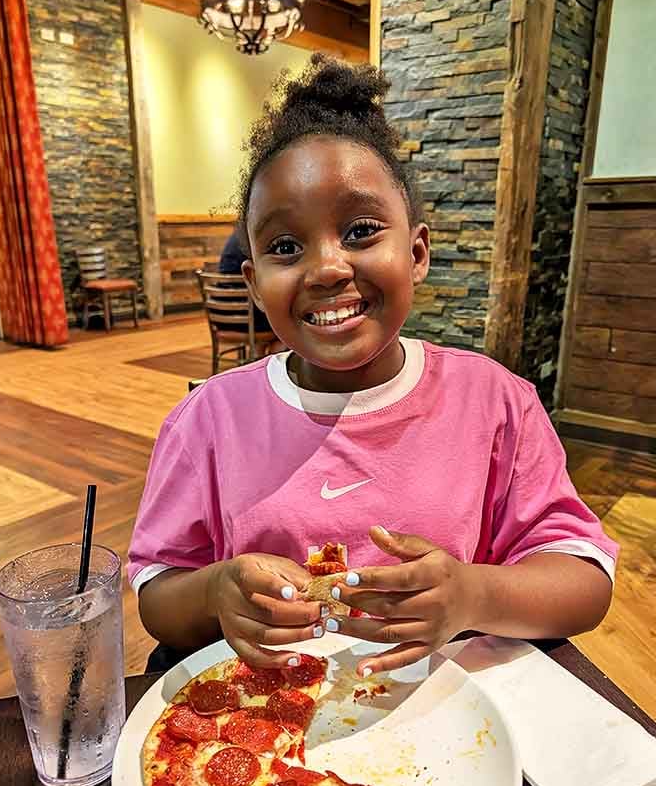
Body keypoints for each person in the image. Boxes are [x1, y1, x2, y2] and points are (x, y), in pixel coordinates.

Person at [128, 55, 617, 678]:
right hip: (264, 730)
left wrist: (473, 594)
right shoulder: (208, 419)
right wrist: (213, 592)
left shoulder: (496, 402)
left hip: (447, 714)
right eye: (285, 247)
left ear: (416, 253)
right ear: (253, 283)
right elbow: (157, 597)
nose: (327, 268)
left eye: (360, 230)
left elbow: (583, 580)